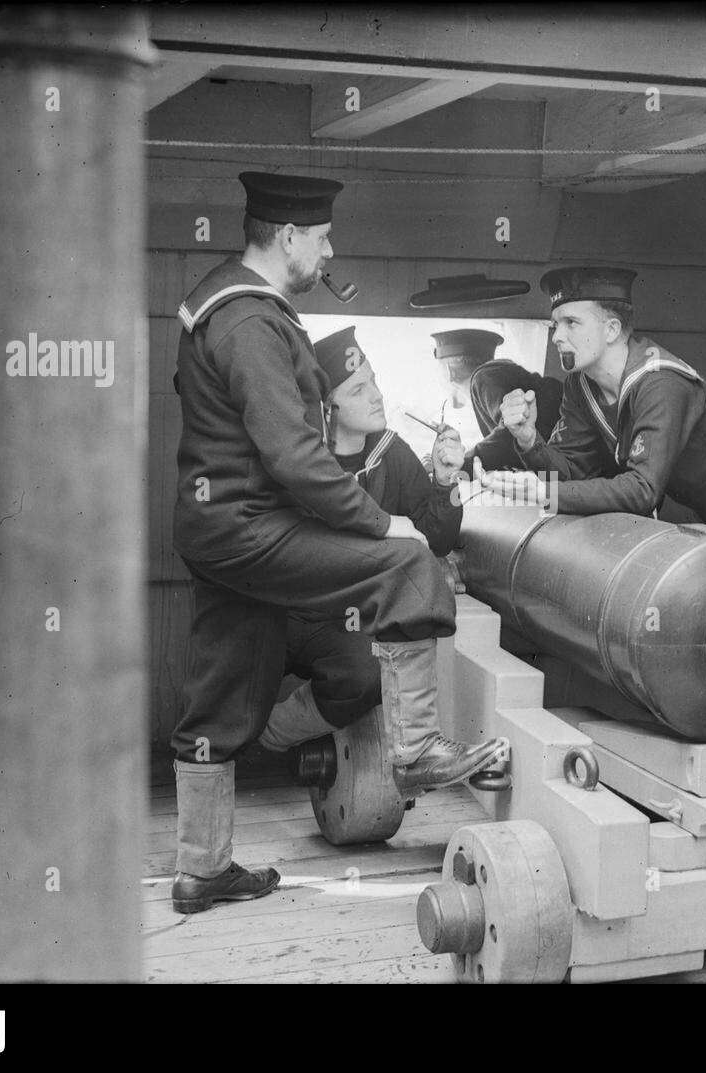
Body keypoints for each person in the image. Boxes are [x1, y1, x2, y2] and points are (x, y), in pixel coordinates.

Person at [169, 172, 504, 915]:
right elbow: (292, 455)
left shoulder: (218, 300)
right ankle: (414, 752)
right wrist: (383, 521)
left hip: (215, 528)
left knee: (219, 694)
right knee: (410, 562)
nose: (329, 249)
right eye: (321, 238)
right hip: (250, 528)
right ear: (287, 238)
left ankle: (203, 868)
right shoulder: (252, 322)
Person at [255, 325, 468, 752]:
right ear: (326, 407)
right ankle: (243, 733)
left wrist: (446, 482)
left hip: (341, 619)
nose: (376, 395)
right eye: (358, 390)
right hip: (275, 612)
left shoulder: (391, 452)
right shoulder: (297, 456)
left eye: (374, 381)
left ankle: (273, 736)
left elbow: (437, 540)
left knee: (366, 677)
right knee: (230, 684)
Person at [485, 265, 706, 530]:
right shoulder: (581, 385)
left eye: (571, 323)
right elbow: (571, 471)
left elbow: (642, 489)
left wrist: (545, 494)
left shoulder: (661, 382)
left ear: (611, 330)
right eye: (555, 325)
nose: (557, 337)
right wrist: (529, 440)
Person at [400, 329, 503, 465]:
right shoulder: (495, 401)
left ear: (450, 372)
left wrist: (453, 466)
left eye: (438, 369)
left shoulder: (494, 406)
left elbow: (502, 453)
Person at [463, 359, 564, 473]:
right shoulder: (506, 372)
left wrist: (462, 464)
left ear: (451, 371)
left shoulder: (483, 377)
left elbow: (511, 432)